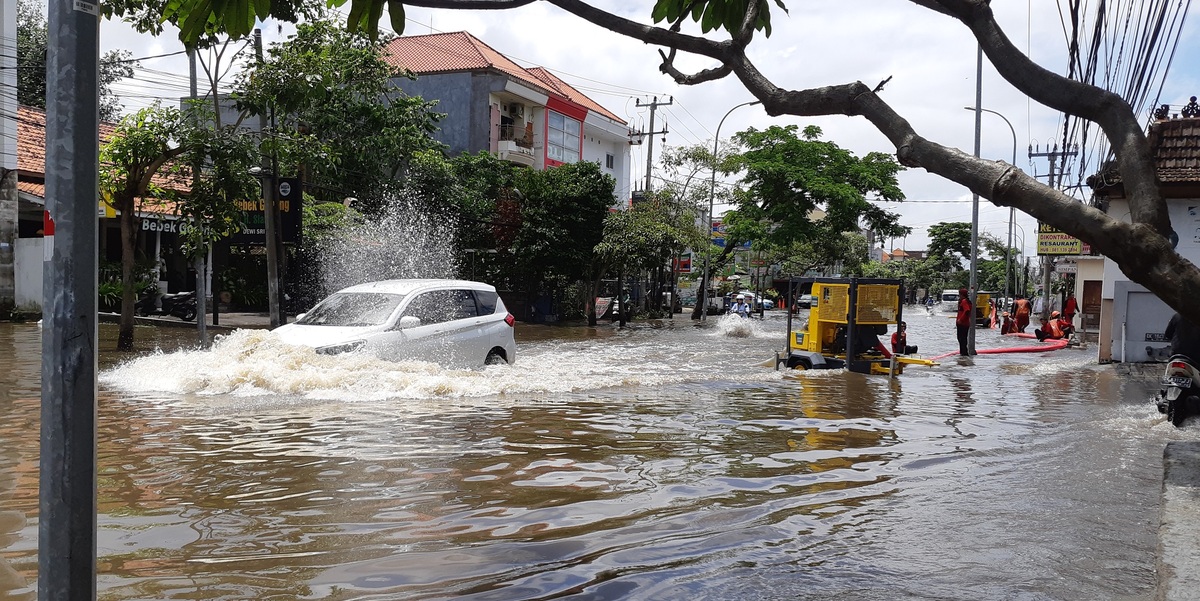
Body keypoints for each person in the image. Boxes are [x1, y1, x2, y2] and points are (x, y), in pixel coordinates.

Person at [956, 287, 973, 355]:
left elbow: (967, 311)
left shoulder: (964, 301)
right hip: (965, 323)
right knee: (962, 339)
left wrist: (961, 319)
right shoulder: (966, 301)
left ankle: (963, 353)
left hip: (963, 324)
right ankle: (963, 353)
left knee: (961, 339)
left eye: (959, 294)